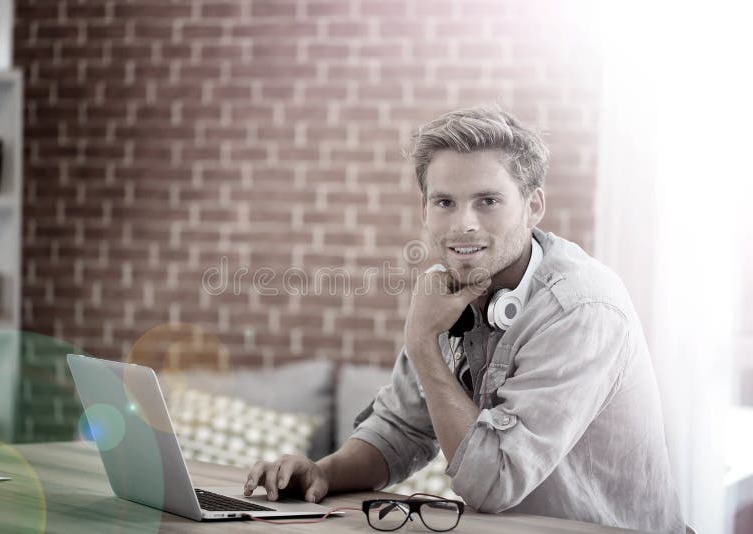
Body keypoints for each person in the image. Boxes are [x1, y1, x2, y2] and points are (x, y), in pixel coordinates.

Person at [243, 108, 684, 532]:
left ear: (534, 206)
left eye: (487, 201)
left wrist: (422, 344)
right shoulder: (451, 290)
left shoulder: (581, 310)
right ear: (424, 211)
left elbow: (494, 483)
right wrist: (321, 473)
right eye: (445, 202)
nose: (463, 224)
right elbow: (399, 430)